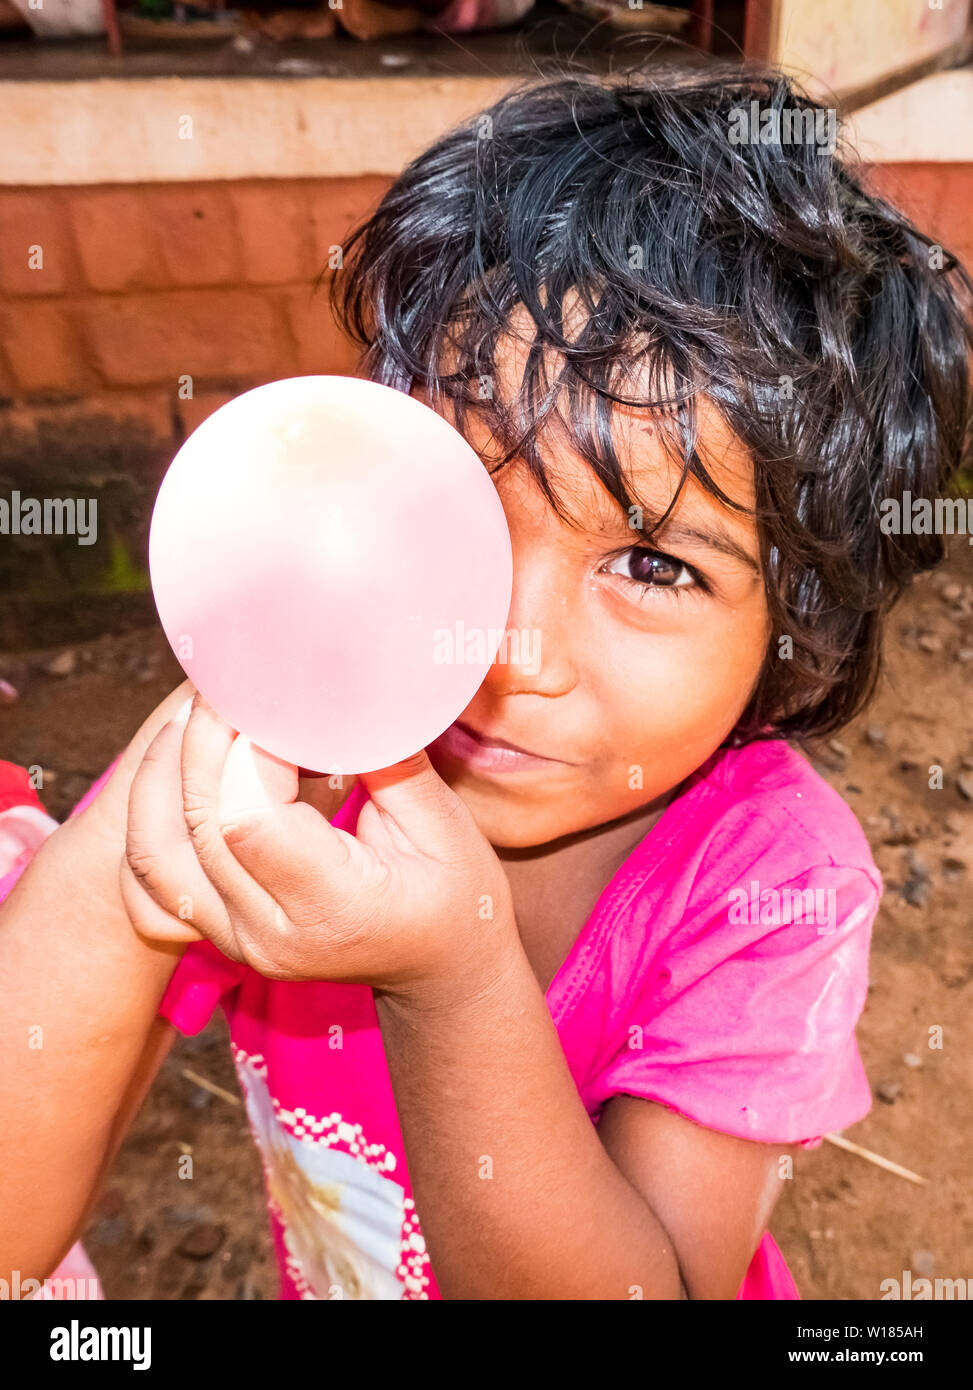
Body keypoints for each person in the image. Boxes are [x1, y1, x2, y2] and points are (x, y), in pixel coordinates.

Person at [2, 65, 970, 1301]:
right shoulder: (298, 752)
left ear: (797, 646)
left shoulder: (768, 883)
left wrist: (451, 974)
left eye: (651, 563)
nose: (507, 651)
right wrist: (143, 868)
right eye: (459, 504)